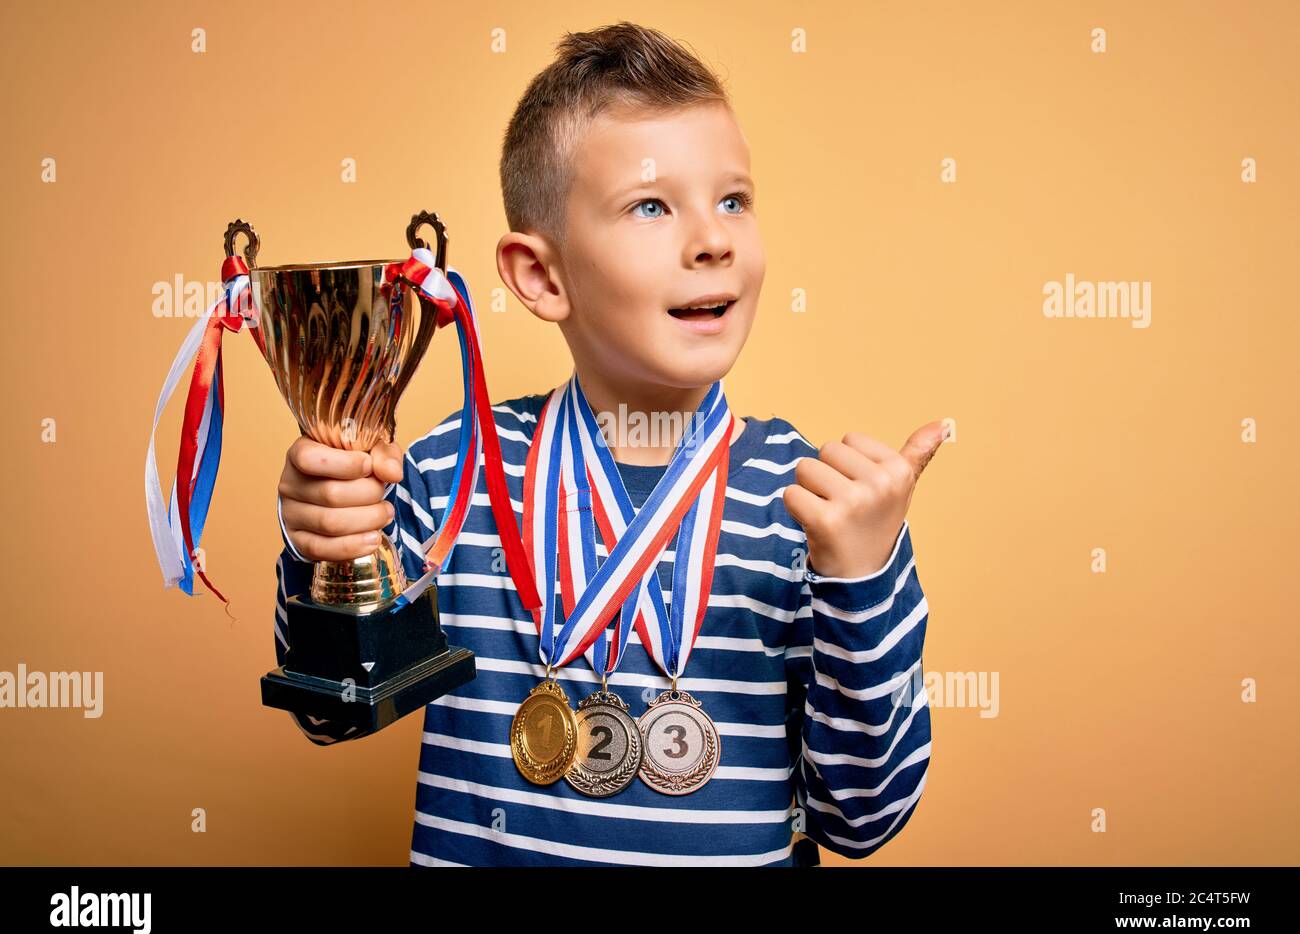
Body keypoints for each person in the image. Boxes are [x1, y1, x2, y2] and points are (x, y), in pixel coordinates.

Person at [273, 21, 945, 866]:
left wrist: (863, 581)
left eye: (733, 198)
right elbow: (329, 709)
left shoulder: (810, 503)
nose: (714, 239)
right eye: (652, 206)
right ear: (542, 277)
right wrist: (319, 546)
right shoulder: (450, 472)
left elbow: (863, 821)